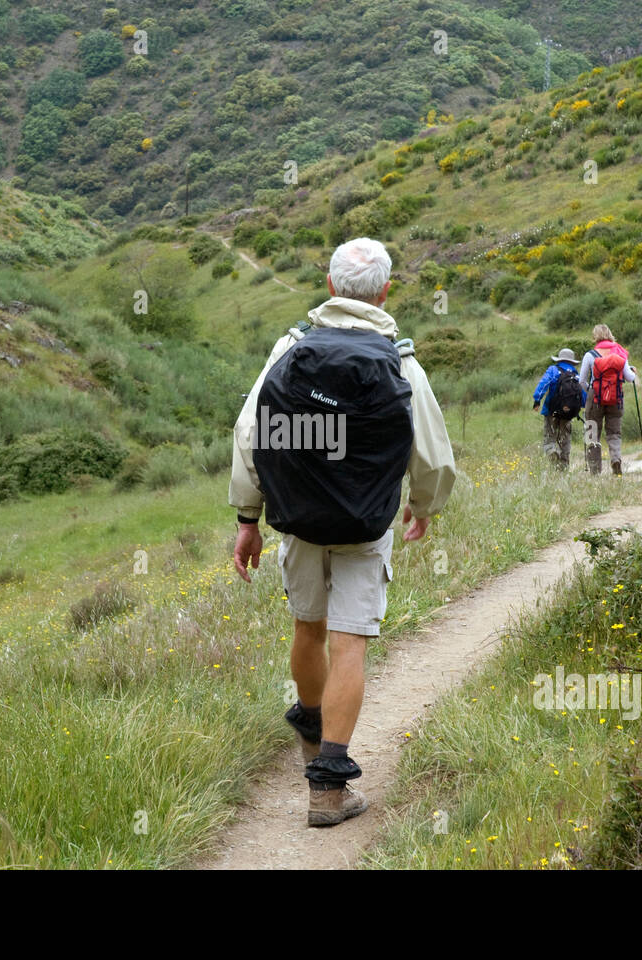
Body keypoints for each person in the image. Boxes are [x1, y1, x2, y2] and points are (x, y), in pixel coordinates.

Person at [229, 237, 457, 827]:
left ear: (331, 288)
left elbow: (250, 433)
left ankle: (310, 729)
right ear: (384, 292)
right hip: (365, 522)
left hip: (298, 521)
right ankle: (328, 789)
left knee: (309, 628)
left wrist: (247, 520)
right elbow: (431, 455)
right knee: (349, 640)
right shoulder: (399, 360)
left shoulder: (291, 348)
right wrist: (423, 506)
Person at [578, 324, 638, 476]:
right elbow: (630, 378)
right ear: (610, 335)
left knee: (592, 432)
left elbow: (581, 381)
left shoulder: (589, 355)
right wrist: (633, 371)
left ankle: (594, 470)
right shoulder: (619, 354)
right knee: (614, 433)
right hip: (615, 397)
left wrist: (591, 390)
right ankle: (615, 459)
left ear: (595, 336)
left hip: (595, 397)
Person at [531, 347, 586, 471]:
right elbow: (582, 395)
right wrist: (582, 406)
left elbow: (544, 384)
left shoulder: (553, 370)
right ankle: (564, 468)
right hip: (567, 414)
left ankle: (551, 451)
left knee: (549, 437)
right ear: (572, 362)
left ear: (559, 359)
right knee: (565, 441)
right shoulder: (575, 375)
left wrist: (537, 400)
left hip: (551, 411)